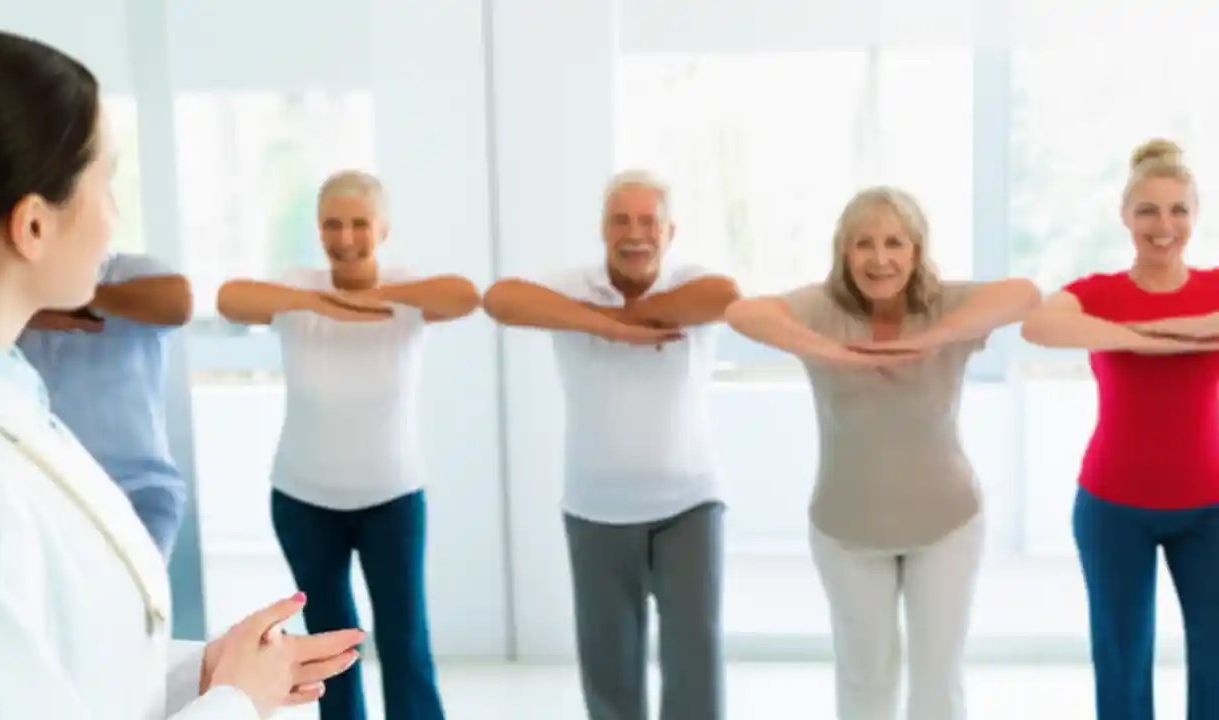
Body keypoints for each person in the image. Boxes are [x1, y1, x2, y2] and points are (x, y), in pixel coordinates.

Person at [0, 30, 366, 719]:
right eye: (105, 183)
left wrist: (200, 672)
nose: (115, 219)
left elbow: (60, 669)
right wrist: (234, 702)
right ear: (33, 226)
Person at [726, 186, 1040, 720]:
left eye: (895, 242)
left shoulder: (945, 304)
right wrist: (832, 352)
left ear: (917, 250)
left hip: (946, 524)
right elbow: (742, 312)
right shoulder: (820, 309)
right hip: (846, 529)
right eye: (862, 244)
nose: (880, 258)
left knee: (937, 684)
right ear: (843, 252)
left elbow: (1025, 293)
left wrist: (931, 340)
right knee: (864, 681)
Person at [217, 170, 479, 720]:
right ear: (318, 230)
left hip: (392, 499)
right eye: (333, 224)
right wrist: (327, 302)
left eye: (360, 223)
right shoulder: (296, 285)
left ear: (383, 228)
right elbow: (230, 299)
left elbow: (465, 296)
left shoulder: (410, 292)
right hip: (303, 500)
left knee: (406, 638)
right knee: (331, 645)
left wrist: (370, 296)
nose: (346, 237)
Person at [483, 170, 740, 720]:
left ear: (671, 231)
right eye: (621, 220)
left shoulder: (691, 280)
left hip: (689, 506)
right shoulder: (575, 284)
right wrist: (605, 325)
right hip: (596, 510)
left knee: (694, 661)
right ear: (603, 229)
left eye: (649, 221)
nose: (635, 233)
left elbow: (726, 296)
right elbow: (499, 299)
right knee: (609, 668)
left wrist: (625, 319)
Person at [1021, 140, 1219, 720]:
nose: (1164, 226)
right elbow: (1036, 325)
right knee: (1122, 663)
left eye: (1178, 209)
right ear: (1125, 216)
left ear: (1194, 214)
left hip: (1211, 508)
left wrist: (1139, 332)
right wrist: (1156, 337)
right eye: (1149, 210)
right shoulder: (1097, 292)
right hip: (1113, 507)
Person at [17, 252, 193, 558]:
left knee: (131, 603)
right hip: (36, 496)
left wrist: (80, 298)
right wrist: (24, 305)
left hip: (136, 491)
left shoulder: (128, 271)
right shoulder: (2, 291)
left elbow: (178, 303)